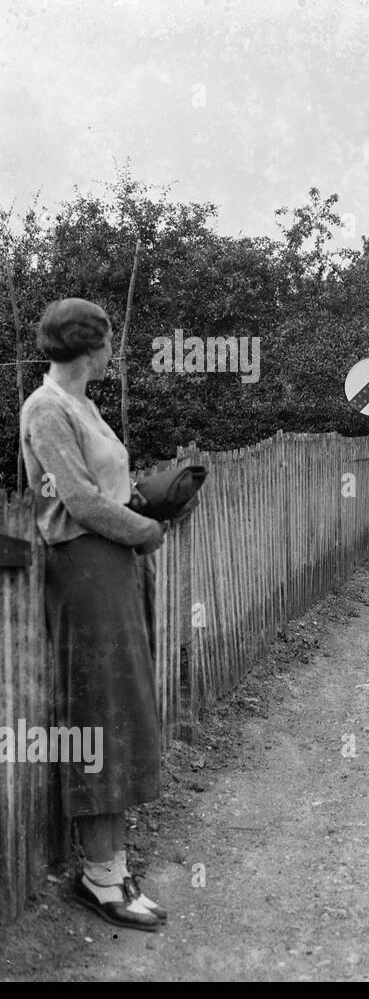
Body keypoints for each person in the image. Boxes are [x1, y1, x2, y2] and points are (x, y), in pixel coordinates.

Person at [19, 298, 170, 932]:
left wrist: (154, 502)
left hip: (114, 565)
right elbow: (76, 500)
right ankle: (100, 877)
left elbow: (106, 487)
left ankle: (114, 865)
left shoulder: (85, 406)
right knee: (100, 715)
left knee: (125, 711)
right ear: (92, 346)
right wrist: (145, 529)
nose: (115, 352)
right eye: (110, 341)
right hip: (82, 570)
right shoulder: (45, 408)